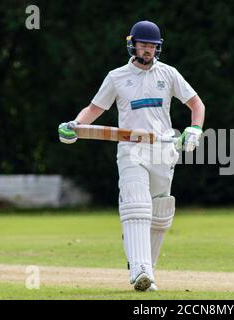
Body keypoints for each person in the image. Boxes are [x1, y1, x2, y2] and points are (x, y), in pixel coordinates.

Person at [58, 20, 205, 291]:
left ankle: (148, 274)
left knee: (160, 213)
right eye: (144, 45)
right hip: (130, 149)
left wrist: (195, 129)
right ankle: (139, 271)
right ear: (132, 45)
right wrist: (75, 125)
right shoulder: (116, 77)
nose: (148, 50)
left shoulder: (169, 73)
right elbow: (94, 109)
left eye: (152, 46)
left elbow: (196, 103)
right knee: (137, 206)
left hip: (163, 151)